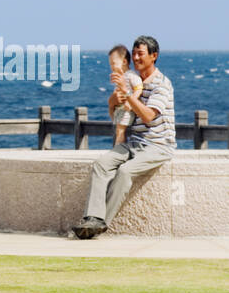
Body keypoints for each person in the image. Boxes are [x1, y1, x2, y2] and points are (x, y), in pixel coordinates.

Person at [73, 36, 174, 238]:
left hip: (158, 145)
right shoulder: (134, 80)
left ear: (154, 56)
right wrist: (112, 101)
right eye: (134, 53)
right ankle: (92, 217)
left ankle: (99, 224)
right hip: (134, 143)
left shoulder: (161, 84)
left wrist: (127, 94)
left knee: (125, 171)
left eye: (140, 53)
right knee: (101, 164)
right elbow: (117, 116)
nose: (135, 57)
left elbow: (147, 116)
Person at [108, 44, 144, 146]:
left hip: (127, 108)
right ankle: (119, 147)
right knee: (117, 127)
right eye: (110, 64)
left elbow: (139, 88)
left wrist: (130, 101)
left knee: (120, 129)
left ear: (124, 62)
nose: (111, 67)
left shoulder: (131, 75)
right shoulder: (122, 76)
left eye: (113, 63)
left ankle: (118, 148)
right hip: (120, 108)